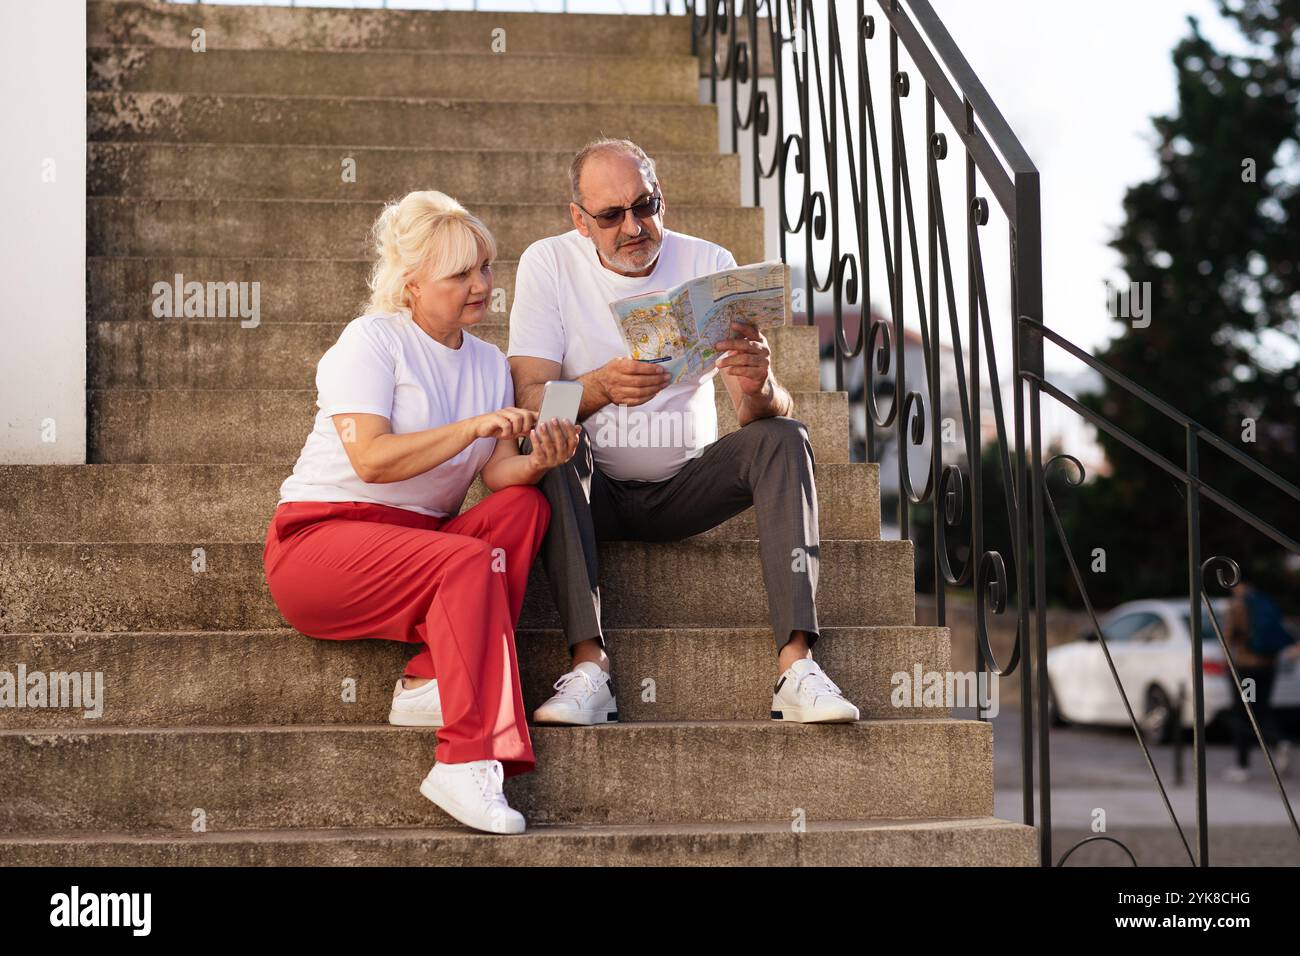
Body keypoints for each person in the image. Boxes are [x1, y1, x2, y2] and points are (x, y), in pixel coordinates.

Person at [507, 137, 859, 726]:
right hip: (591, 491)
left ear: (661, 198)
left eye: (645, 206)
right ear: (580, 220)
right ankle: (591, 669)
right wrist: (599, 389)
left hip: (683, 488)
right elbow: (529, 401)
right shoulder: (548, 263)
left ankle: (795, 668)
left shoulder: (708, 262)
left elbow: (757, 416)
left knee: (785, 435)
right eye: (612, 215)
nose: (633, 227)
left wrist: (760, 383)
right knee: (552, 440)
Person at [262, 191, 580, 833]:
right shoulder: (373, 340)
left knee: (522, 508)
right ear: (411, 285)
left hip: (418, 550)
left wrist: (543, 456)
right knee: (469, 560)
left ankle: (431, 677)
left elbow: (497, 475)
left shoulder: (489, 362)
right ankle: (466, 759)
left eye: (485, 268)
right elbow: (373, 460)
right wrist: (469, 428)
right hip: (320, 544)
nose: (481, 285)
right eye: (459, 274)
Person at [1221, 580, 1296, 782]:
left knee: (1245, 713)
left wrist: (1227, 658)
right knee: (1261, 709)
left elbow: (1227, 637)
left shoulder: (1237, 605)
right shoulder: (1267, 602)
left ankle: (1242, 765)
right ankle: (1281, 741)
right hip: (1268, 668)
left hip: (1247, 670)